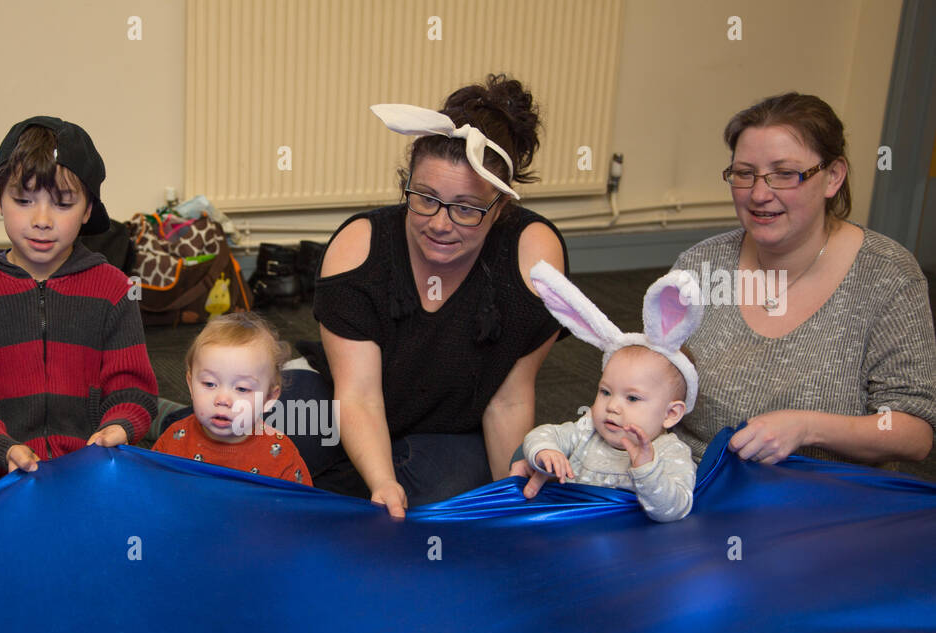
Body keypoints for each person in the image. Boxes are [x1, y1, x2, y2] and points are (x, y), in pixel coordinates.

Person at [290, 74, 567, 517]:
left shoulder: (532, 259)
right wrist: (382, 482)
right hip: (341, 399)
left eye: (466, 208)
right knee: (255, 434)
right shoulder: (359, 248)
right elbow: (358, 395)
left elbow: (508, 400)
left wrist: (514, 514)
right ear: (407, 183)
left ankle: (324, 497)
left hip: (451, 428)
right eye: (425, 198)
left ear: (501, 207)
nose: (440, 223)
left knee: (445, 500)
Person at [671, 92, 936, 466]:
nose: (760, 194)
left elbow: (915, 433)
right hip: (690, 487)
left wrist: (809, 428)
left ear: (833, 177)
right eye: (745, 174)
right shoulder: (699, 266)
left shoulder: (886, 276)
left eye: (784, 174)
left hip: (819, 503)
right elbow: (648, 384)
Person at [0, 116, 157, 504]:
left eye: (64, 203)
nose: (41, 221)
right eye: (23, 201)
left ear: (88, 211)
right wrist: (2, 447)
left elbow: (132, 388)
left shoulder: (115, 290)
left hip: (89, 475)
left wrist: (118, 427)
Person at [519, 263, 705, 523]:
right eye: (606, 392)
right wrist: (545, 452)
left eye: (632, 398)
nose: (613, 407)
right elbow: (543, 434)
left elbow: (675, 510)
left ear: (671, 413)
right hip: (575, 533)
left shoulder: (669, 453)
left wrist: (646, 469)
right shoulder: (588, 431)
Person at [153, 313, 311, 485]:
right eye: (209, 383)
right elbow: (150, 491)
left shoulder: (281, 456)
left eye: (242, 388)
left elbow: (301, 508)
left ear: (269, 398)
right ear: (190, 385)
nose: (223, 399)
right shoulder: (174, 440)